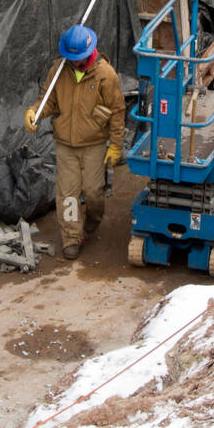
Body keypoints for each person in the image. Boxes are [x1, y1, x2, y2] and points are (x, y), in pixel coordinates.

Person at [24, 25, 125, 261]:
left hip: (94, 144)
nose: (73, 63)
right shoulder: (58, 71)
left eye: (76, 59)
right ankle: (71, 236)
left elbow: (117, 111)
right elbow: (47, 99)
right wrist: (34, 112)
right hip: (66, 144)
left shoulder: (106, 75)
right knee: (67, 194)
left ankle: (94, 215)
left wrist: (116, 145)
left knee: (93, 191)